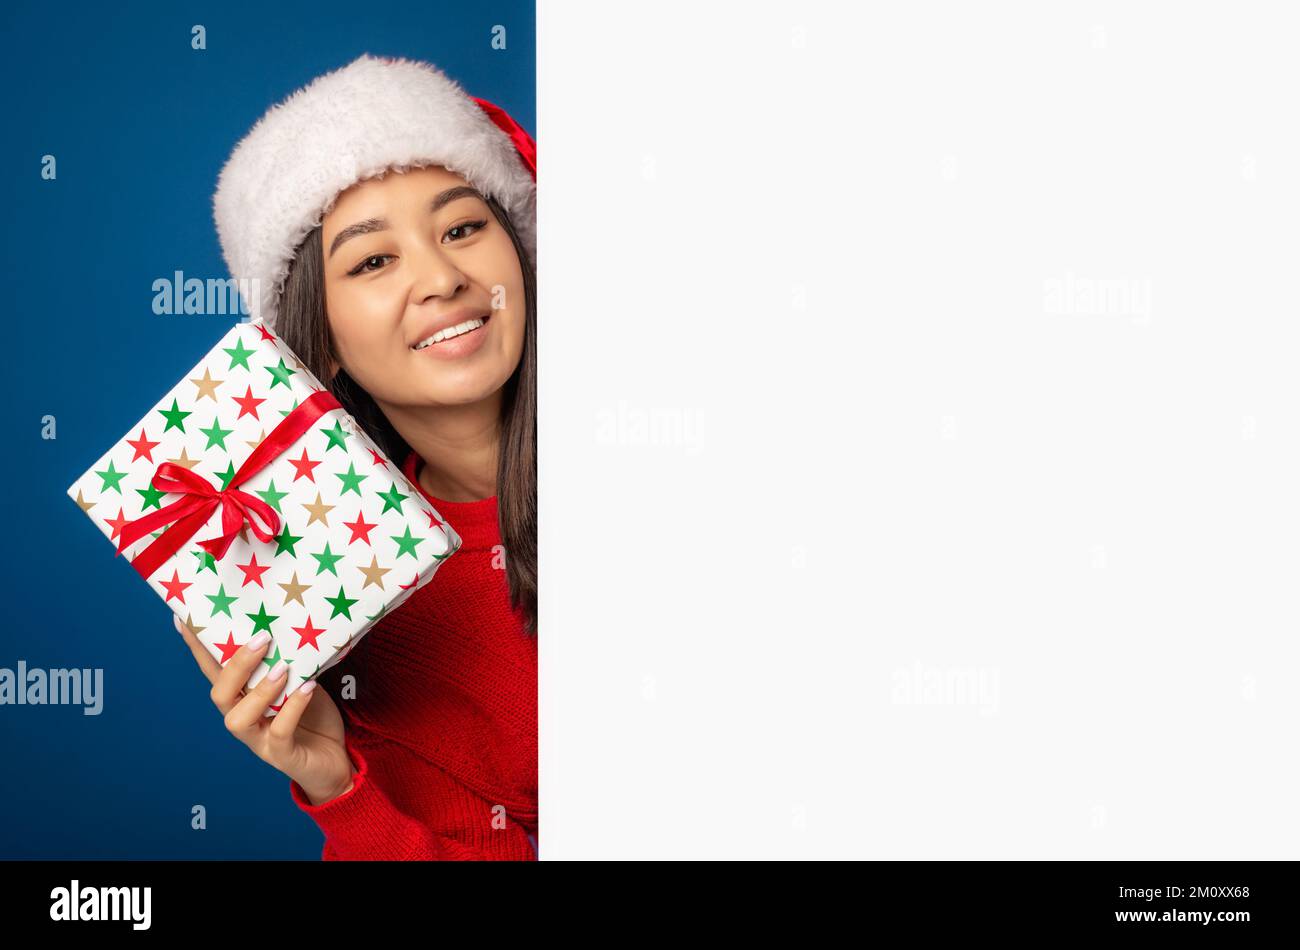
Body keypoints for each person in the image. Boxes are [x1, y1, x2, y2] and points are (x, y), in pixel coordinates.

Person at [172, 53, 538, 860]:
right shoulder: (359, 597)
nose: (442, 278)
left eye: (463, 228)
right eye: (374, 261)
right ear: (323, 346)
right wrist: (341, 786)